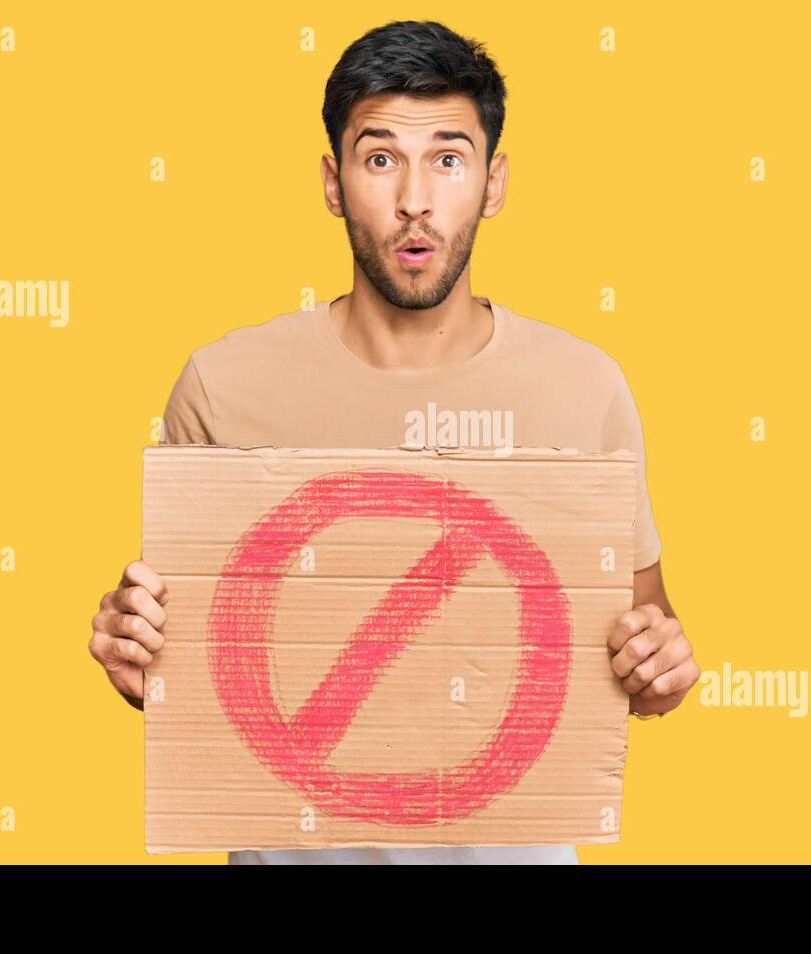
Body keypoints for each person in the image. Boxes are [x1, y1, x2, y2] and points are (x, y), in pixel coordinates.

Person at [88, 19, 700, 865]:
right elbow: (193, 669)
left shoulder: (584, 388)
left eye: (448, 158)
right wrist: (135, 650)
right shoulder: (223, 387)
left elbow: (644, 639)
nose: (416, 198)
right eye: (381, 159)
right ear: (335, 183)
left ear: (493, 182)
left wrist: (660, 664)